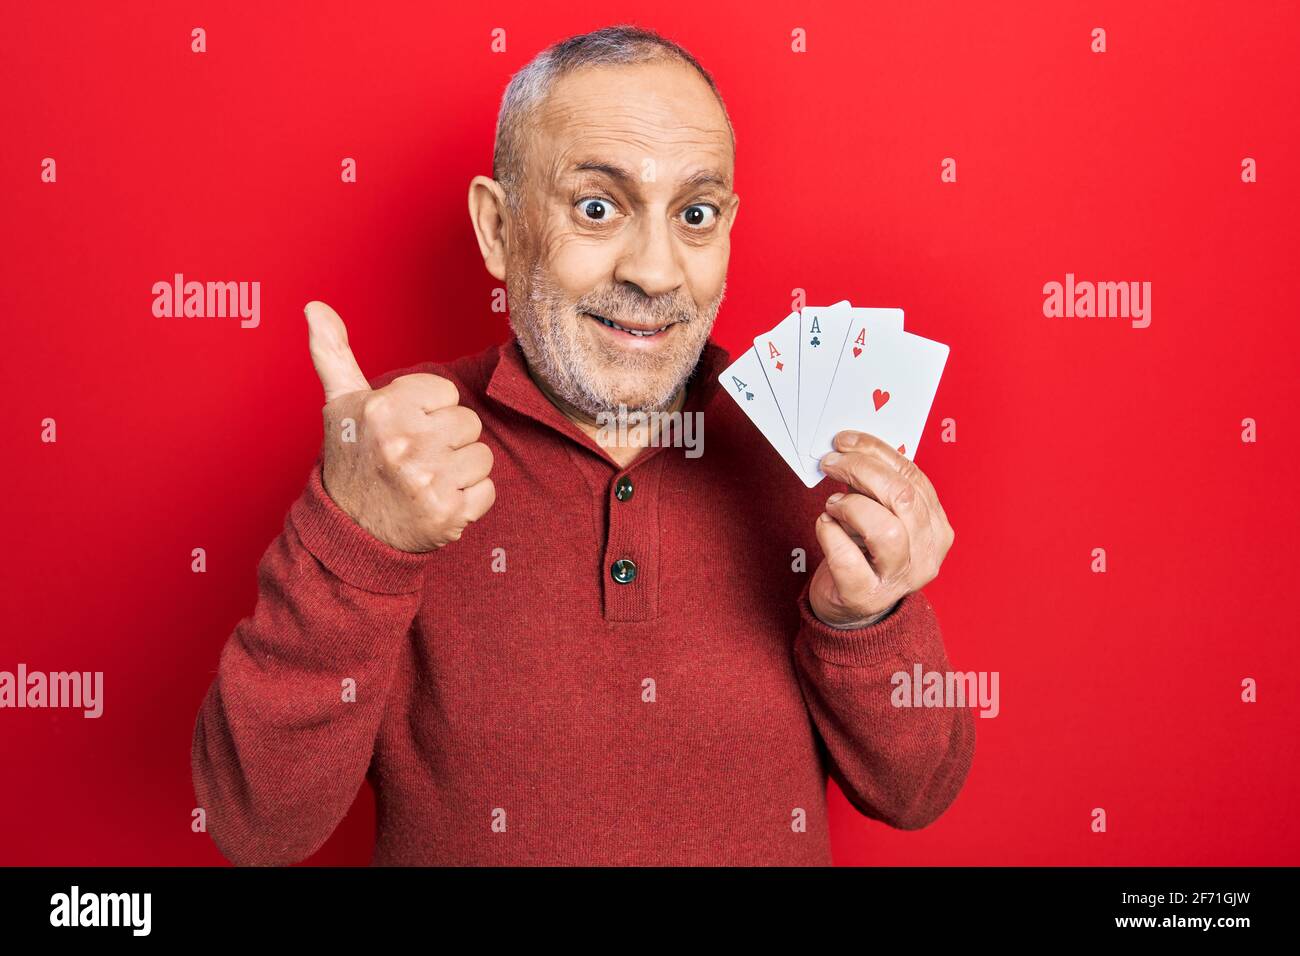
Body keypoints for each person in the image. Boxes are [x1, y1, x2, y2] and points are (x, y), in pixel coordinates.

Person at [191, 23, 974, 866]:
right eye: (597, 208)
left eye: (696, 215)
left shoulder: (806, 450)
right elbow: (255, 825)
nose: (655, 272)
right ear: (498, 228)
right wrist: (357, 544)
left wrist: (868, 622)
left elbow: (917, 792)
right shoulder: (397, 459)